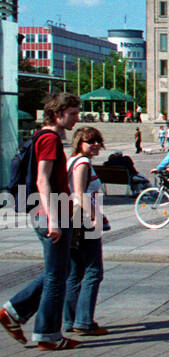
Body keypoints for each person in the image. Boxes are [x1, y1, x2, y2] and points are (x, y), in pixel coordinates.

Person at [0, 92, 82, 350]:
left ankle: (14, 312)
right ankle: (47, 334)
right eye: (72, 114)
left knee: (59, 271)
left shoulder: (42, 137)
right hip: (50, 210)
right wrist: (53, 220)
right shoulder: (49, 140)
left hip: (49, 209)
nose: (76, 119)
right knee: (58, 276)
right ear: (57, 114)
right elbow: (42, 179)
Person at [64, 126, 109, 337]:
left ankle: (69, 320)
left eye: (97, 140)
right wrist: (96, 216)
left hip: (72, 219)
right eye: (90, 141)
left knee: (74, 272)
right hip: (83, 220)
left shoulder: (71, 161)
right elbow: (80, 195)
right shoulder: (82, 163)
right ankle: (83, 321)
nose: (96, 144)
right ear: (79, 143)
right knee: (94, 271)